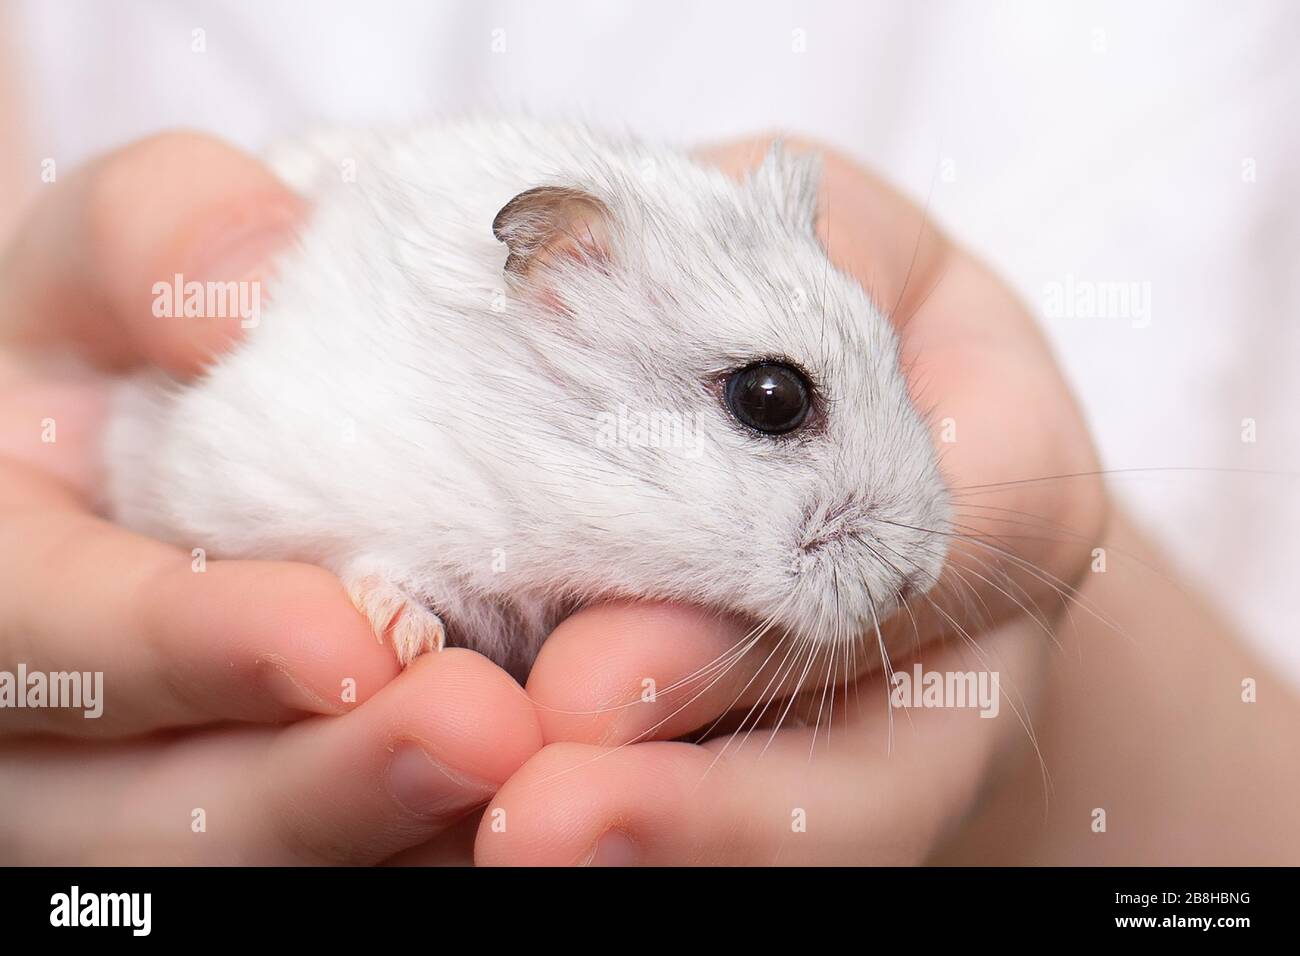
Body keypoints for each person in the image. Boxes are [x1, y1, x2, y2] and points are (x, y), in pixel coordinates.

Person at [0, 3, 1296, 866]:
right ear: (553, 280)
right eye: (773, 406)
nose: (909, 552)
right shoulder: (377, 372)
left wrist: (1047, 745)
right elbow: (193, 465)